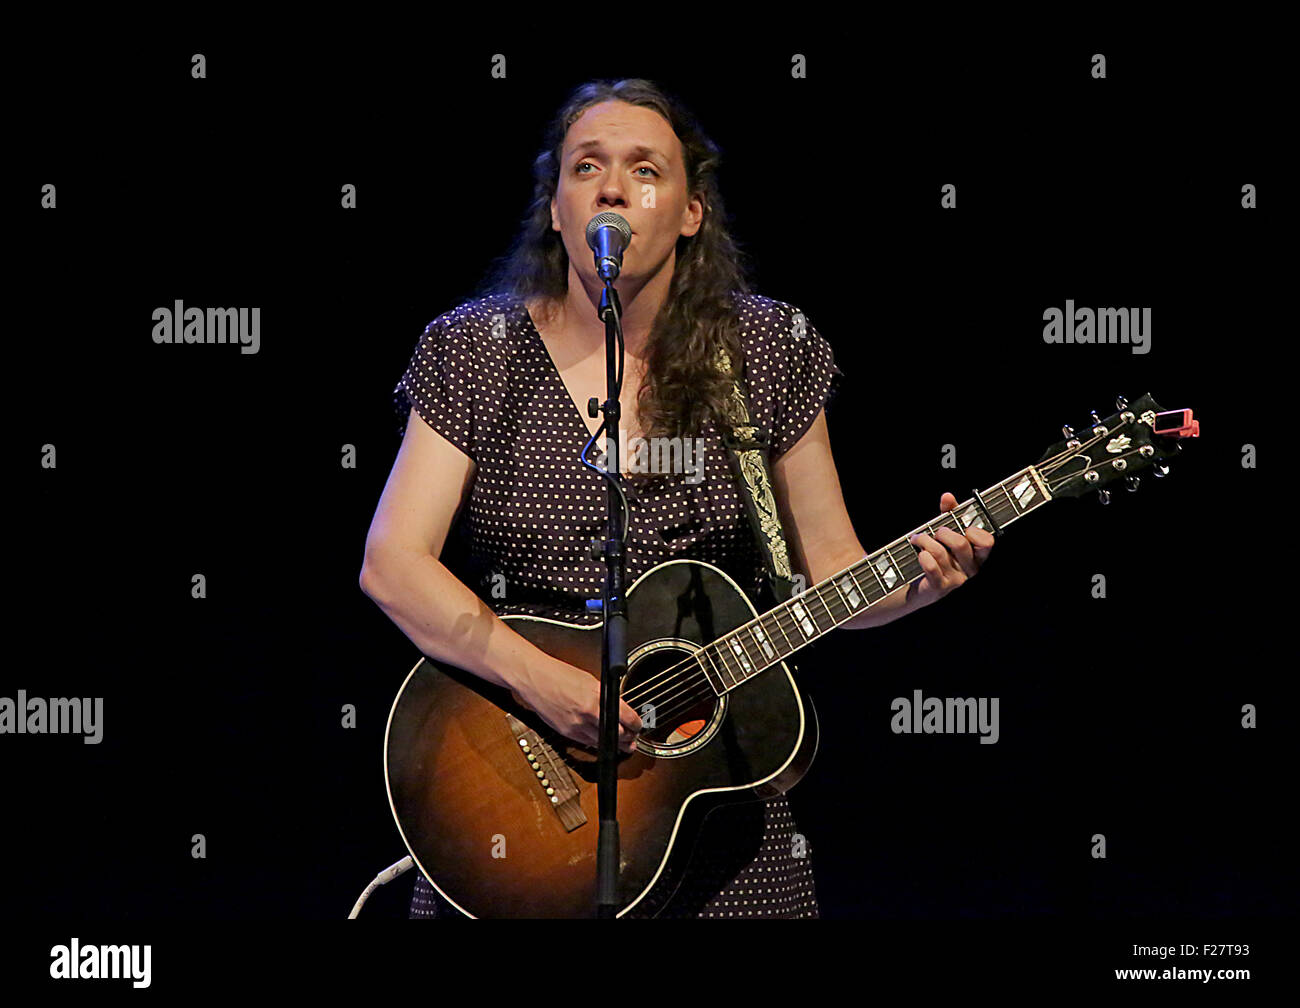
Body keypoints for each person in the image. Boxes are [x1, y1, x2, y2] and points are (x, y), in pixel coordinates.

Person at [359, 78, 994, 918]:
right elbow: (393, 566)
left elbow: (832, 576)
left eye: (645, 169)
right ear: (556, 207)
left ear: (692, 211)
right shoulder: (477, 348)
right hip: (511, 787)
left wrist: (920, 584)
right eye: (587, 166)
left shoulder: (765, 350)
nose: (614, 185)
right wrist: (546, 683)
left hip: (714, 814)